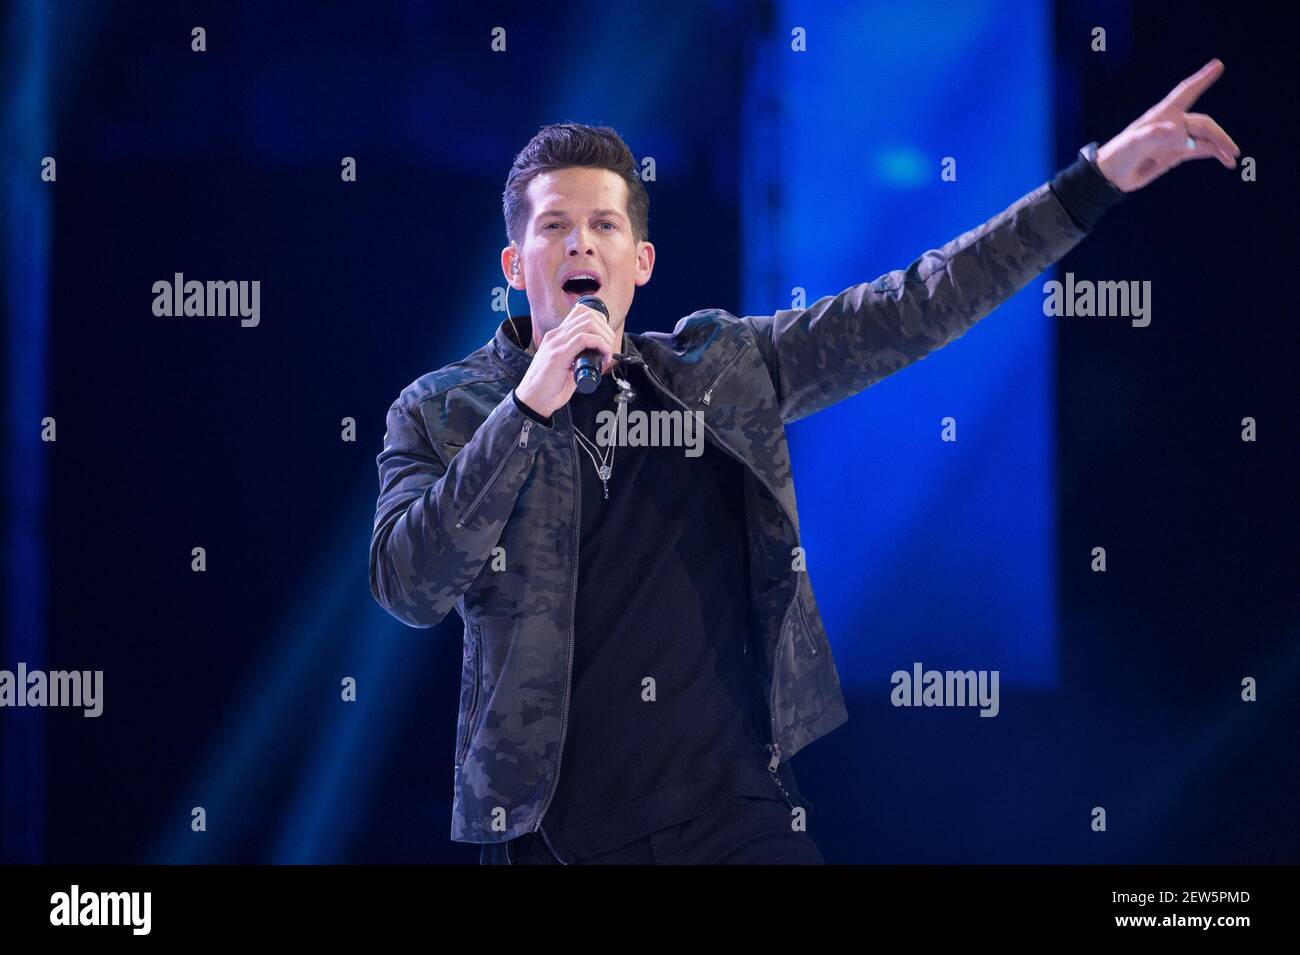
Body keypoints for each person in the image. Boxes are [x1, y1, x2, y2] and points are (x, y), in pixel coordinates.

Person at [368, 62, 1237, 865]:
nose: (580, 245)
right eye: (554, 227)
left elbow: (915, 303)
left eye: (604, 225)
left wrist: (1089, 185)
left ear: (641, 262)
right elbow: (410, 586)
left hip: (734, 817)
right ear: (517, 264)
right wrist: (528, 408)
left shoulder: (721, 368)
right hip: (552, 838)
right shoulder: (444, 410)